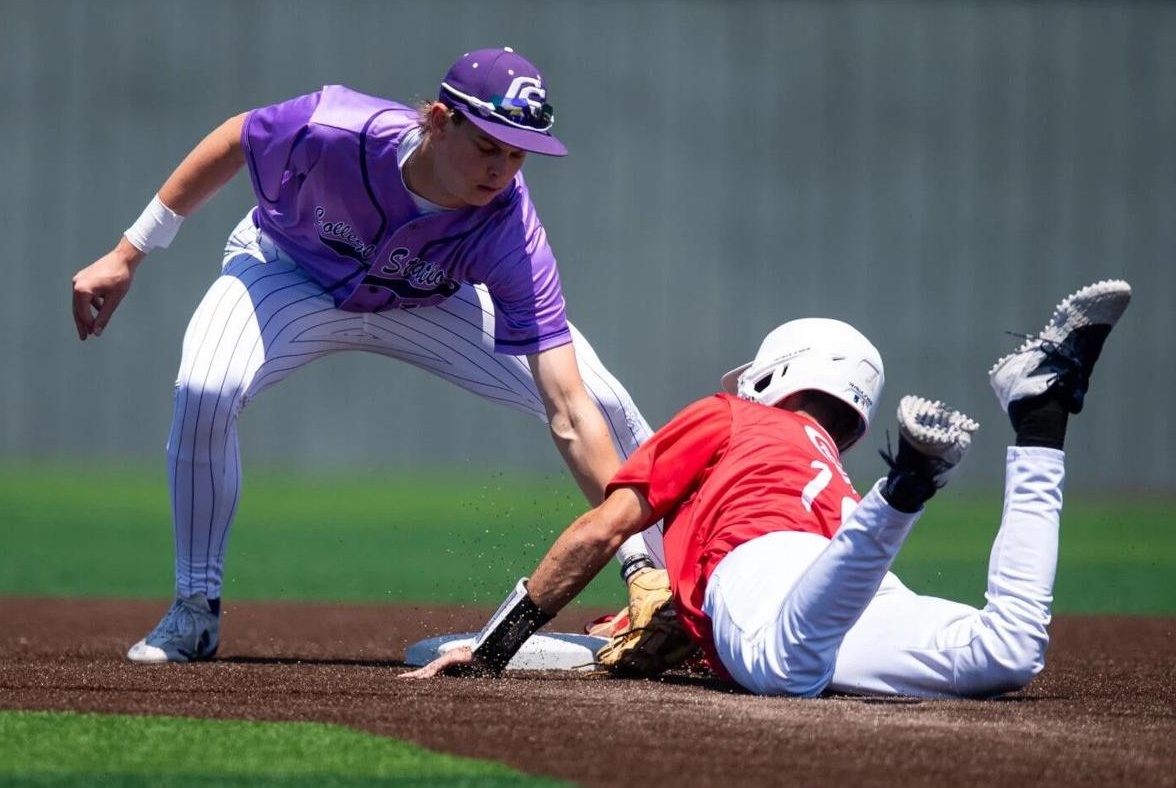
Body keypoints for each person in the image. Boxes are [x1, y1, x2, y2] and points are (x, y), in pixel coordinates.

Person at [70, 47, 661, 664]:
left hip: (428, 302)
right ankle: (194, 610)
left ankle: (668, 591)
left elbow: (567, 407)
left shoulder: (510, 228)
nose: (502, 170)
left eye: (517, 154)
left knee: (603, 400)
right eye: (489, 145)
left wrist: (632, 555)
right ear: (438, 119)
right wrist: (130, 250)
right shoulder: (338, 128)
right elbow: (236, 137)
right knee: (204, 389)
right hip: (287, 270)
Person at [404, 280, 1132, 698]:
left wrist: (496, 647)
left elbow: (604, 527)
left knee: (788, 669)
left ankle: (905, 490)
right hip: (858, 585)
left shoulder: (729, 414)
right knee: (1006, 651)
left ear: (772, 374)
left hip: (772, 573)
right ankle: (1039, 418)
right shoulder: (825, 465)